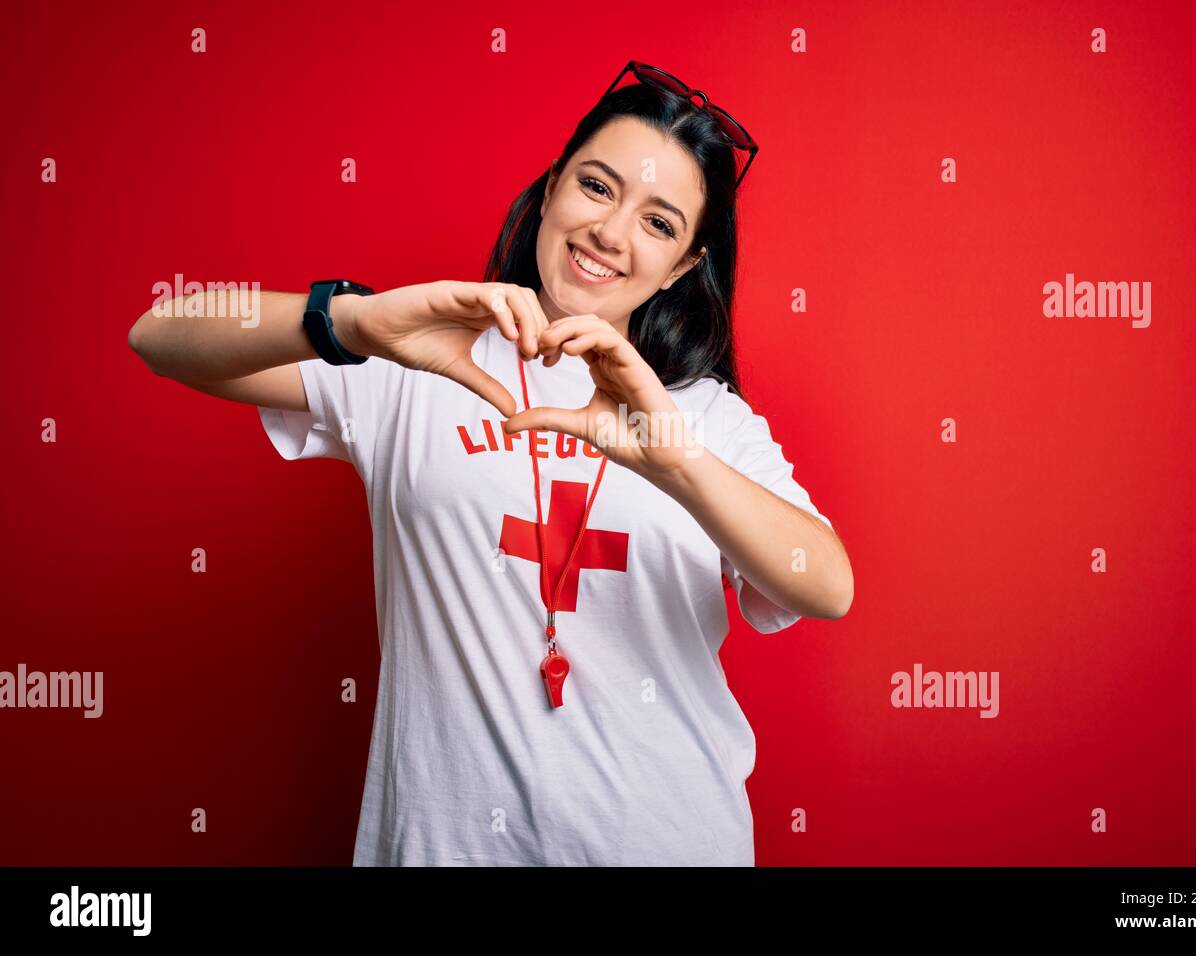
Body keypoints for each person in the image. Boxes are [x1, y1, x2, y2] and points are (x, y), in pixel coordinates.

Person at [128, 62, 853, 866]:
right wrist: (357, 320)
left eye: (660, 223)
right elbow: (161, 336)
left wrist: (679, 462)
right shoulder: (418, 357)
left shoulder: (708, 417)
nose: (611, 234)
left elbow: (825, 583)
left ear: (684, 265)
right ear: (551, 188)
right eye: (598, 186)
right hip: (446, 848)